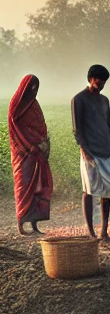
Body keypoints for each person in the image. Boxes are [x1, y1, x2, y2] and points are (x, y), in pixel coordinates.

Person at [72, 64, 110, 241]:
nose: (102, 85)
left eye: (104, 82)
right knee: (89, 190)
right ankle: (91, 232)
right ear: (91, 79)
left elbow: (109, 126)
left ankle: (104, 231)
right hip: (90, 151)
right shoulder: (79, 99)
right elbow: (77, 129)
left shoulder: (104, 100)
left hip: (105, 150)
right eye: (100, 81)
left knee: (108, 190)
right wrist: (84, 150)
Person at [8, 74, 52, 235]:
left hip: (37, 153)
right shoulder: (16, 104)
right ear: (24, 87)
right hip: (22, 153)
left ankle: (34, 224)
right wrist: (30, 145)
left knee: (38, 187)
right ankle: (21, 224)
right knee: (23, 187)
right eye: (31, 87)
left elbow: (41, 126)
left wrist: (44, 143)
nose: (34, 90)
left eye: (36, 88)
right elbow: (16, 129)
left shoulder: (35, 105)